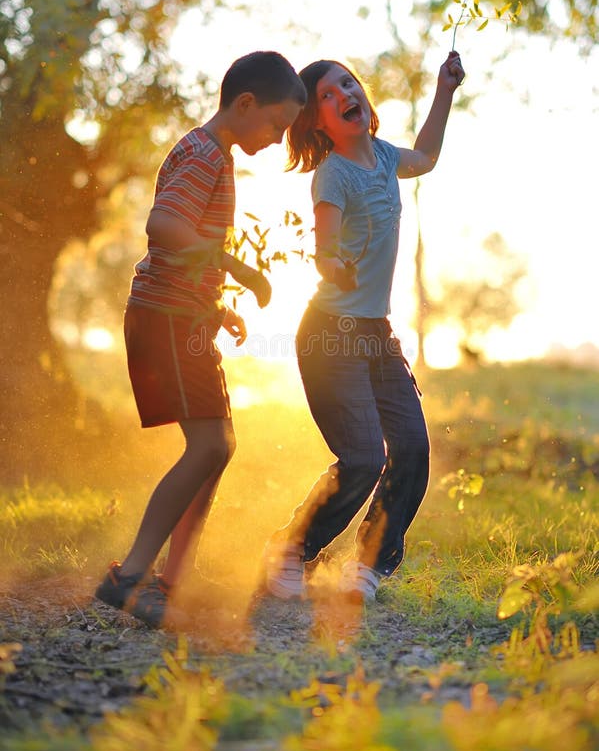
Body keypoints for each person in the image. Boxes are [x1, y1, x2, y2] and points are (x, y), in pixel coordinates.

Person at [95, 51, 306, 628]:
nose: (278, 138)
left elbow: (183, 248)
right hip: (163, 316)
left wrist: (215, 308)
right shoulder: (202, 154)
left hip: (183, 316)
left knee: (220, 445)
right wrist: (239, 270)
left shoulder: (216, 155)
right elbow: (162, 226)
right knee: (211, 446)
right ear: (245, 104)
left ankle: (168, 580)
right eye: (277, 125)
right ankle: (133, 577)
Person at [264, 50, 465, 603]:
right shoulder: (332, 174)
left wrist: (444, 89)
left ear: (363, 97)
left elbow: (424, 156)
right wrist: (332, 264)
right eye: (327, 96)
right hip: (331, 335)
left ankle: (369, 563)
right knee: (362, 458)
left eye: (347, 84)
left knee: (412, 448)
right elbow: (323, 244)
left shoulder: (380, 155)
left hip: (376, 335)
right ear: (317, 123)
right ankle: (290, 548)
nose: (343, 95)